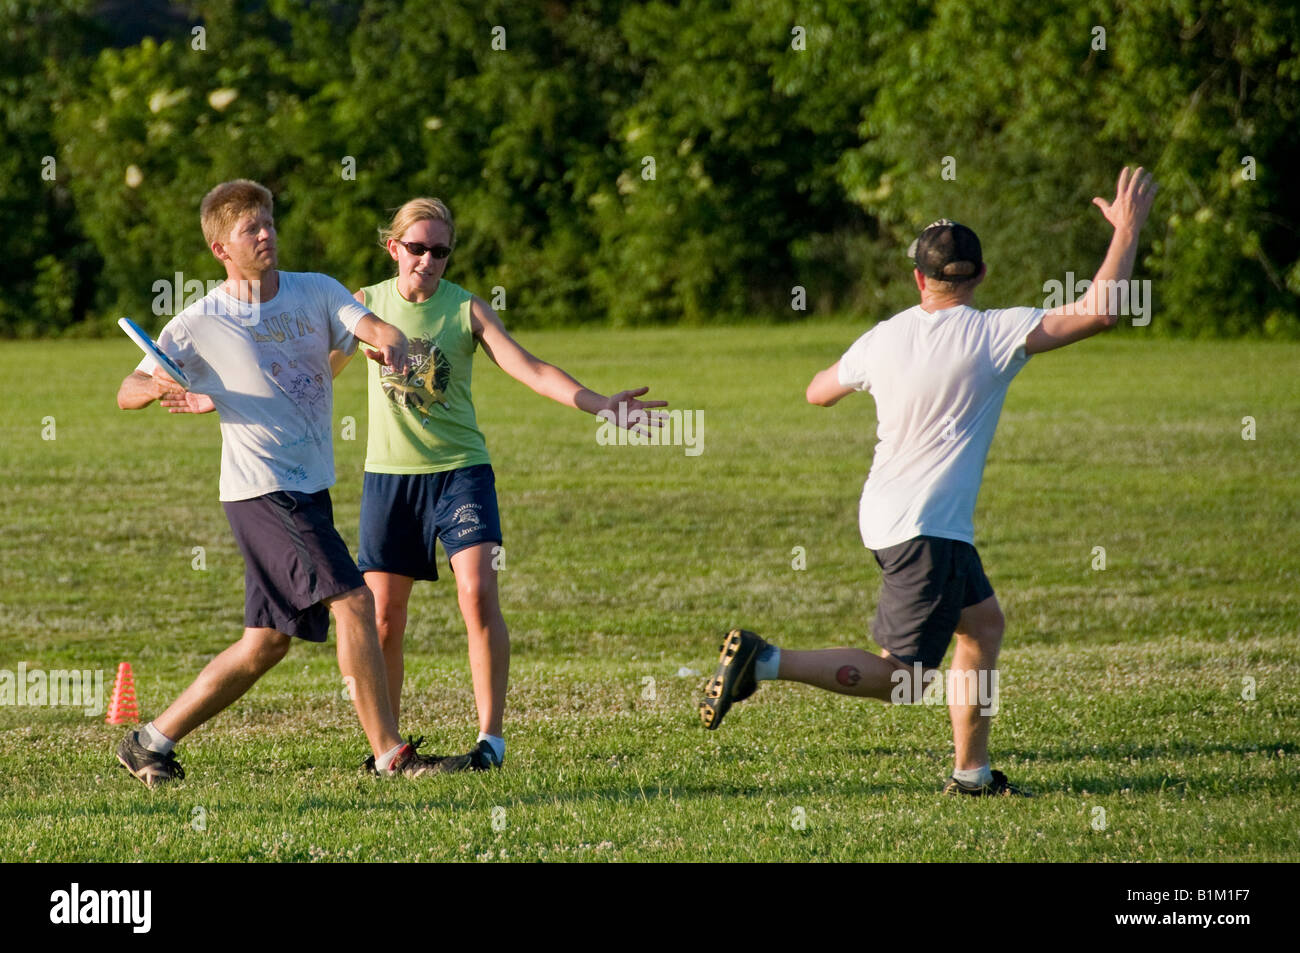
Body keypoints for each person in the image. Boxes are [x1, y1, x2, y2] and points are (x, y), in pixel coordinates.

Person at [699, 166, 1159, 796]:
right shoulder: (996, 331)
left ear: (919, 278)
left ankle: (971, 775)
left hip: (894, 515)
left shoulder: (884, 335)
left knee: (983, 625)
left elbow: (816, 392)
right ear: (981, 277)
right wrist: (1127, 229)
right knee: (903, 678)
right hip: (926, 527)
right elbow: (1101, 311)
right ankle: (764, 661)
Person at [114, 179, 462, 786]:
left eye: (269, 221)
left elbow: (374, 328)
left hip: (309, 488)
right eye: (251, 229)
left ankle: (149, 741)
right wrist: (160, 385)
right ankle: (390, 754)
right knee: (355, 601)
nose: (267, 234)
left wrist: (392, 345)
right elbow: (128, 390)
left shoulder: (316, 292)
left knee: (266, 643)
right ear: (222, 248)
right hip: (262, 490)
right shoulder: (199, 321)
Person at [331, 197, 667, 772]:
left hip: (462, 472)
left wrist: (599, 405)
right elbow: (318, 369)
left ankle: (491, 741)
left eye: (440, 250)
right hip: (390, 479)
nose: (428, 260)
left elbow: (530, 368)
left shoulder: (466, 310)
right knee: (384, 618)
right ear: (394, 248)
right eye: (417, 248)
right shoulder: (363, 306)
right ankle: (387, 747)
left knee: (478, 593)